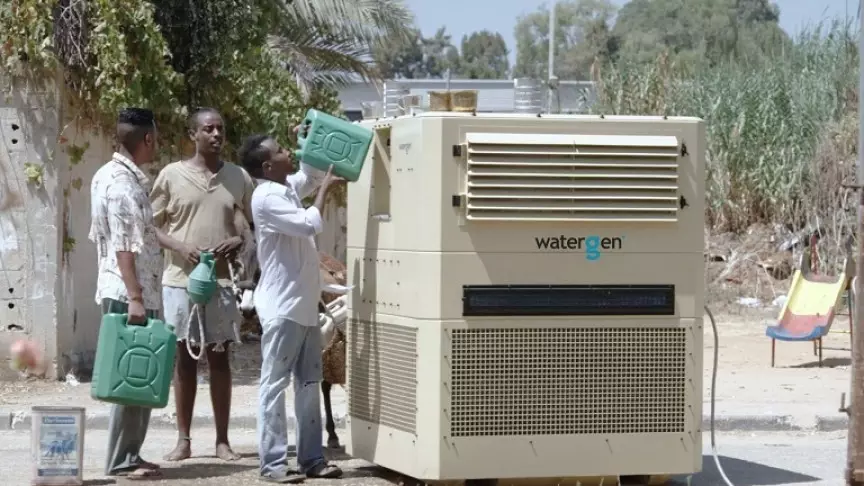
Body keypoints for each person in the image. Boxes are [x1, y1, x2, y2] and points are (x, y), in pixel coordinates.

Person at [150, 107, 255, 462]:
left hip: (222, 282)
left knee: (221, 358)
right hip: (181, 282)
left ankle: (222, 441)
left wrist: (237, 241)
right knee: (184, 360)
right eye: (208, 129)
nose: (216, 135)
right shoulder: (170, 176)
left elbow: (246, 223)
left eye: (220, 129)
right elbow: (151, 226)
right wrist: (181, 246)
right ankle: (183, 439)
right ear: (192, 134)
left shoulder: (238, 177)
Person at [238, 132, 343, 483]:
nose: (288, 152)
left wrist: (312, 138)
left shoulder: (283, 189)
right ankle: (273, 465)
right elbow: (309, 223)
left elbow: (308, 175)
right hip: (283, 308)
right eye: (282, 150)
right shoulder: (266, 198)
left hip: (303, 306)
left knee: (310, 383)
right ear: (268, 166)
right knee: (273, 386)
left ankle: (312, 459)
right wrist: (327, 188)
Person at [88, 107, 164, 480]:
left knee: (139, 378)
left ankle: (130, 454)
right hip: (129, 292)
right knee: (131, 380)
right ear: (147, 139)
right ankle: (121, 460)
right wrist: (136, 298)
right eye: (156, 137)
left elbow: (142, 234)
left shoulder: (111, 175)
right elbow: (122, 246)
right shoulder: (120, 184)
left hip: (134, 289)